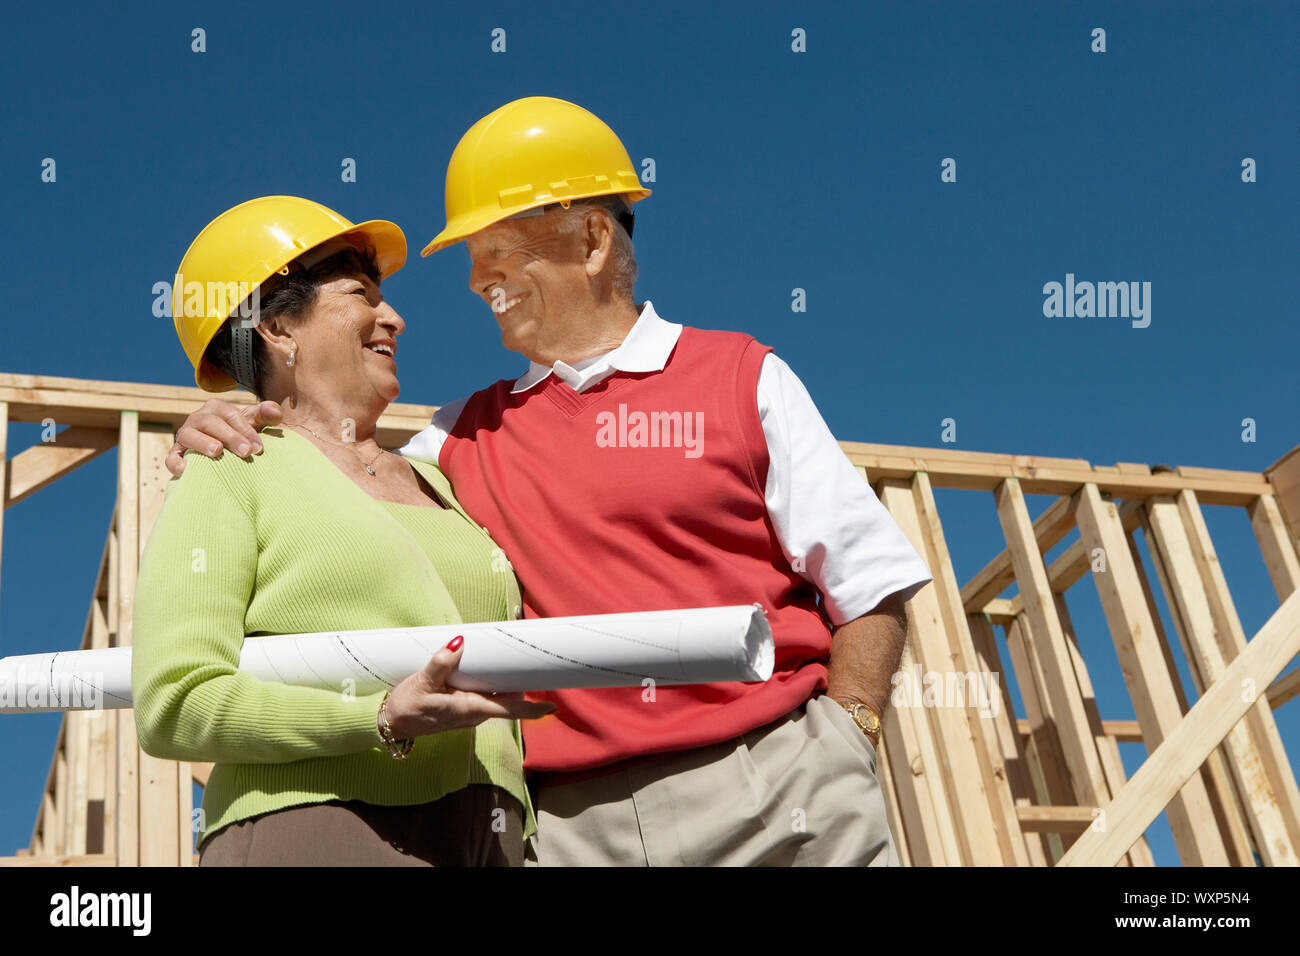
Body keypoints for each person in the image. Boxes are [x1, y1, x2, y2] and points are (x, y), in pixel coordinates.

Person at [167, 98, 934, 867]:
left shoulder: (743, 378)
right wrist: (218, 422)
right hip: (567, 831)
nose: (474, 280)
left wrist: (850, 732)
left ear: (594, 238)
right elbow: (331, 469)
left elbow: (868, 584)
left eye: (495, 250)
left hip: (775, 788)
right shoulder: (455, 440)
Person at [133, 195, 552, 867]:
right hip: (319, 828)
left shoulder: (438, 482)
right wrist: (376, 719)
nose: (395, 316)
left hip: (491, 835)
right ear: (277, 328)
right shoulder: (232, 467)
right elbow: (174, 701)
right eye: (362, 294)